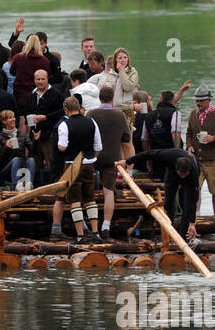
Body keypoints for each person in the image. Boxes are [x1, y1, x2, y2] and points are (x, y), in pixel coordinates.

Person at [122, 147, 201, 240]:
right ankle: (169, 233)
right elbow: (148, 154)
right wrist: (127, 161)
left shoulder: (193, 172)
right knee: (169, 203)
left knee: (187, 205)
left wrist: (192, 223)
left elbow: (193, 200)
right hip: (172, 174)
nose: (182, 177)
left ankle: (184, 237)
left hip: (189, 179)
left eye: (184, 175)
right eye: (181, 175)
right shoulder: (170, 155)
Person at [51, 96, 102, 240]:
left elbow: (62, 147)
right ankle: (95, 232)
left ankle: (80, 235)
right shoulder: (91, 121)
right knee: (90, 198)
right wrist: (92, 157)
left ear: (66, 110)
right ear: (79, 107)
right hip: (89, 164)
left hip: (72, 165)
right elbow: (98, 146)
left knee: (75, 200)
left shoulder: (64, 125)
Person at [86, 84, 133, 236]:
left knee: (88, 190)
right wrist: (128, 164)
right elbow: (126, 141)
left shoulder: (91, 113)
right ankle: (106, 225)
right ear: (112, 99)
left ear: (100, 98)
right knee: (108, 192)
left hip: (92, 157)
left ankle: (89, 224)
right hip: (112, 158)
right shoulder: (119, 115)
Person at [185, 84, 215, 216]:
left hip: (214, 161)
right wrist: (189, 145)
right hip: (196, 160)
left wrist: (214, 138)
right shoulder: (192, 115)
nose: (198, 103)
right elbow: (189, 133)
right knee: (196, 188)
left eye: (201, 100)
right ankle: (197, 215)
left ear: (209, 100)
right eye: (197, 100)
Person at [24, 68, 64, 182]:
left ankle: (55, 186)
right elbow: (26, 111)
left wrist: (45, 117)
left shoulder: (56, 94)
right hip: (34, 133)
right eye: (38, 79)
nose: (40, 81)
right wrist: (30, 120)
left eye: (43, 79)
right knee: (35, 162)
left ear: (47, 79)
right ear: (34, 80)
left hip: (50, 134)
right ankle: (37, 186)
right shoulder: (32, 95)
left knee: (51, 161)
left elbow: (61, 113)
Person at [0, 109, 36, 188]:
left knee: (31, 160)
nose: (14, 119)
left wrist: (35, 140)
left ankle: (29, 184)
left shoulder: (22, 133)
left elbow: (33, 150)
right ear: (4, 121)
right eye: (10, 118)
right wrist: (6, 147)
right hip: (7, 169)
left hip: (22, 166)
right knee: (16, 159)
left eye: (14, 117)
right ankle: (16, 186)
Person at [9, 34, 50, 107]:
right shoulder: (44, 60)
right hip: (38, 93)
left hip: (20, 93)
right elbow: (48, 75)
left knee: (21, 115)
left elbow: (12, 72)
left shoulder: (18, 57)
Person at [107, 47, 140, 130]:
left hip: (127, 109)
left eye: (125, 57)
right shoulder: (111, 74)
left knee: (127, 140)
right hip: (113, 110)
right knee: (115, 139)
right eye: (120, 58)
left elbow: (127, 87)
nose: (123, 60)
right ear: (115, 60)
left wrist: (121, 71)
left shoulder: (133, 72)